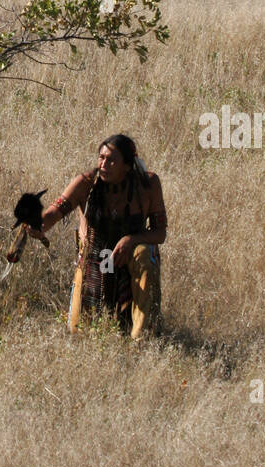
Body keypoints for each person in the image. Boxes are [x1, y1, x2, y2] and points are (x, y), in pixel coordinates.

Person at [28, 134, 167, 339]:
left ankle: (141, 337)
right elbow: (54, 212)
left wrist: (131, 240)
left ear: (127, 166)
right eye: (101, 157)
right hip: (96, 254)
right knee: (80, 331)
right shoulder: (86, 183)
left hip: (130, 254)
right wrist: (37, 224)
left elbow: (160, 233)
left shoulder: (147, 184)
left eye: (111, 160)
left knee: (144, 255)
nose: (104, 164)